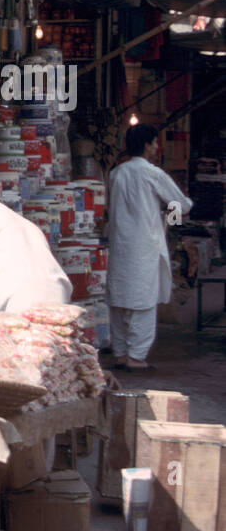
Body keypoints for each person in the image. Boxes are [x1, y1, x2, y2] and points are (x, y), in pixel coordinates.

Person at [106, 124, 193, 371]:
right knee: (142, 301)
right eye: (154, 143)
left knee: (120, 299)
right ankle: (136, 357)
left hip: (120, 243)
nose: (157, 147)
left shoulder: (116, 173)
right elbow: (182, 204)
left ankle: (121, 354)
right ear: (146, 145)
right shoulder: (152, 173)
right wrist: (171, 218)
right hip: (144, 245)